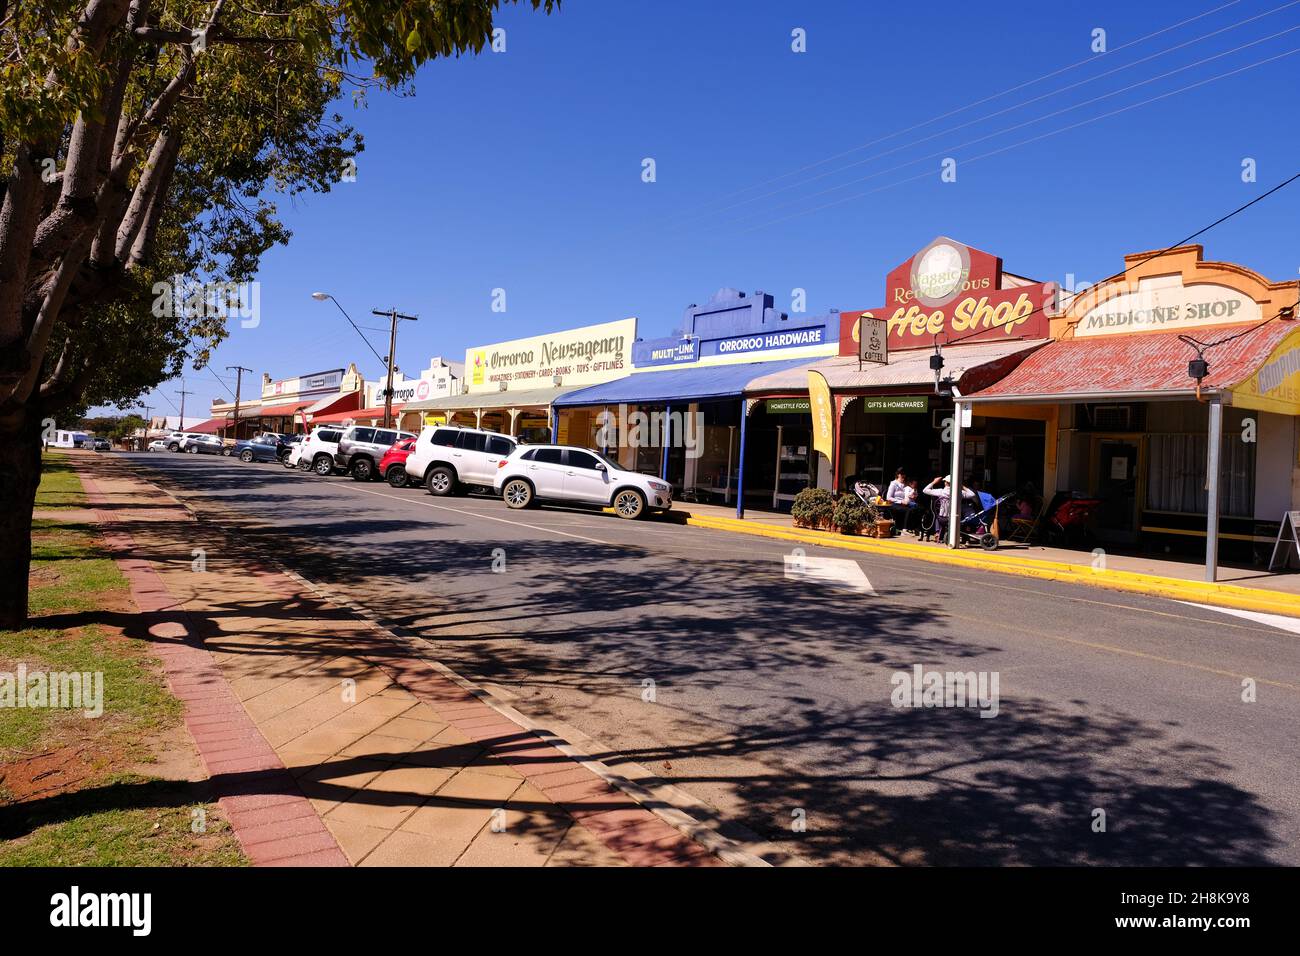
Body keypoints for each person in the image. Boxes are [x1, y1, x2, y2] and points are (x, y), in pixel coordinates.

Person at [924, 475, 975, 542]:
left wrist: (934, 482)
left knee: (938, 516)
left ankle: (937, 532)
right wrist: (962, 486)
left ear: (945, 483)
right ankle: (963, 537)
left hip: (942, 519)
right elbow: (972, 494)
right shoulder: (959, 492)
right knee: (963, 515)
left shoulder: (940, 491)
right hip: (954, 519)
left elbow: (925, 490)